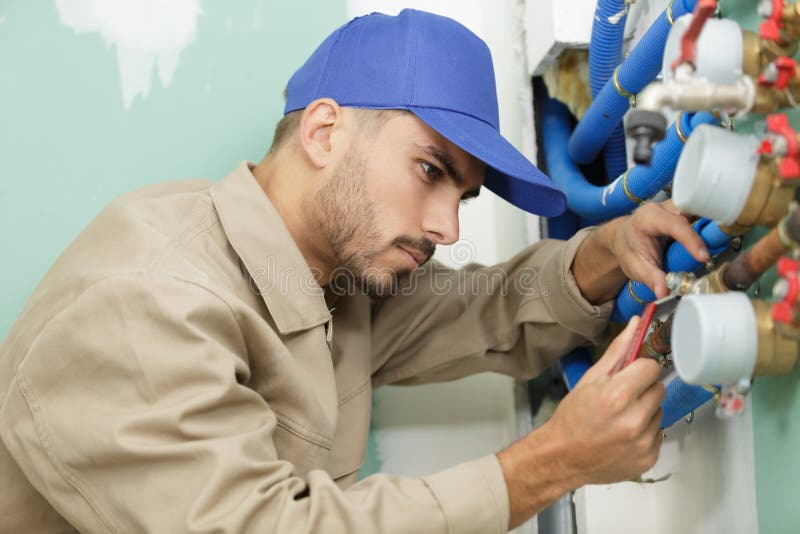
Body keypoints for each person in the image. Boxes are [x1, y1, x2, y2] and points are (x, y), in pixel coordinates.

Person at [0, 9, 710, 534]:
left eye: (461, 196)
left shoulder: (322, 275)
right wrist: (550, 463)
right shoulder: (146, 303)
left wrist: (607, 251)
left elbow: (484, 307)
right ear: (323, 131)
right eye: (430, 171)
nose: (449, 228)